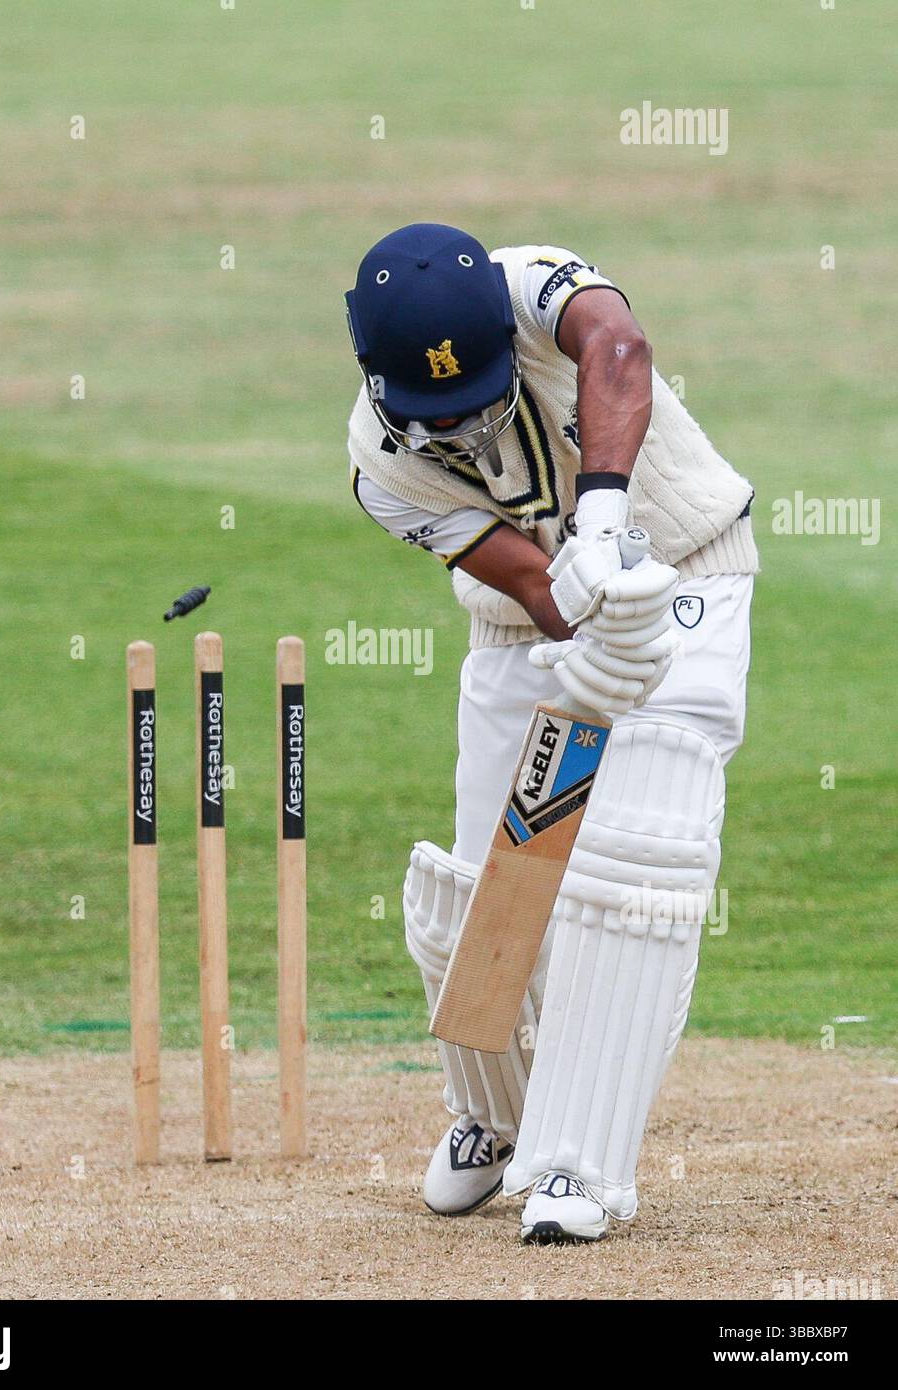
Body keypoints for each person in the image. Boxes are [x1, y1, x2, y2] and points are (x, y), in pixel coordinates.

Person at [344, 223, 757, 1244]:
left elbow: (618, 347)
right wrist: (582, 596)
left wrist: (607, 517)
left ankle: (578, 1161)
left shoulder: (527, 285)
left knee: (632, 867)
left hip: (689, 571)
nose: (469, 418)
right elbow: (536, 589)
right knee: (492, 884)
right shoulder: (379, 470)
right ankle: (495, 1110)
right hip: (532, 621)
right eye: (440, 408)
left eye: (481, 388)